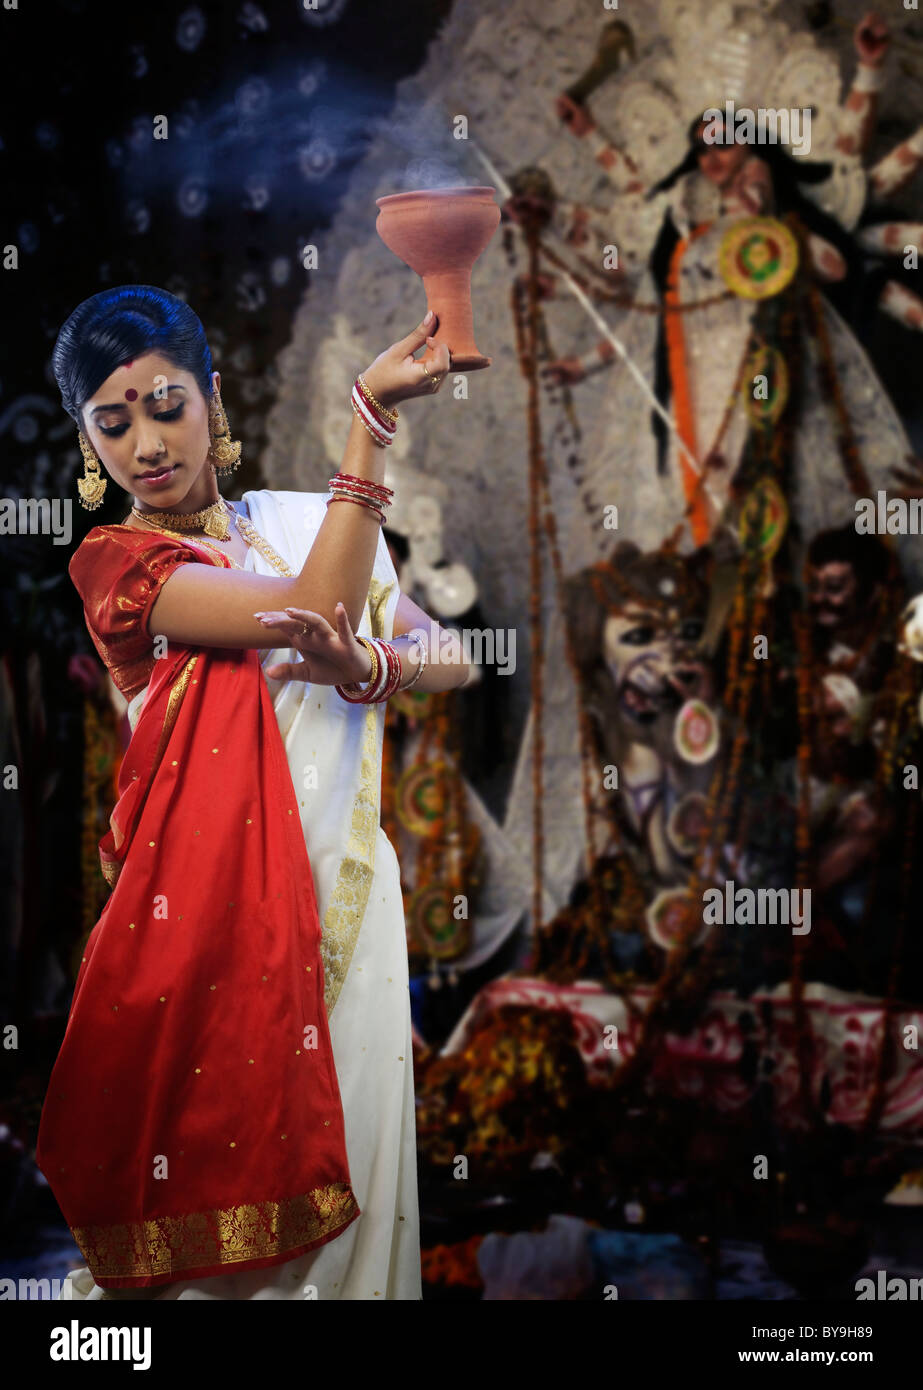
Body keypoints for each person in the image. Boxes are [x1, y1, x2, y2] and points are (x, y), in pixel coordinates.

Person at [36, 284, 470, 1300]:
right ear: (87, 441)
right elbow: (306, 609)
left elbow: (445, 653)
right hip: (217, 925)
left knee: (356, 1184)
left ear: (212, 397)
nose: (145, 441)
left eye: (165, 403)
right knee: (227, 1204)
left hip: (348, 899)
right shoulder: (120, 565)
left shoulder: (298, 521)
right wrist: (369, 424)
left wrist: (368, 671)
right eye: (112, 422)